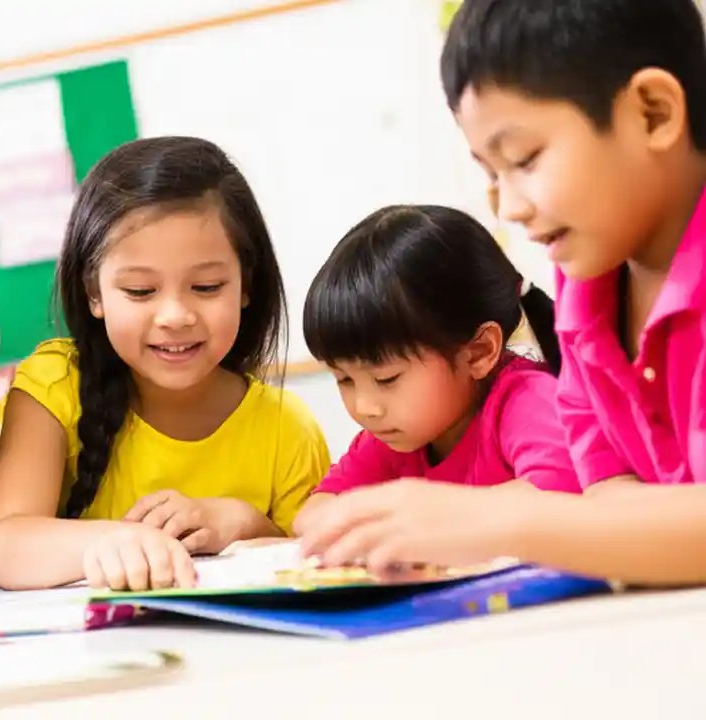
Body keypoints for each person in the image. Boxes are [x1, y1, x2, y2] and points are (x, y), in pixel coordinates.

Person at [300, 0, 706, 585]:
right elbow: (612, 499)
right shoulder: (586, 288)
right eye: (491, 174)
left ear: (652, 113)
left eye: (525, 160)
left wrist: (505, 519)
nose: (510, 207)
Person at [0, 136, 330, 592]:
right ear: (93, 293)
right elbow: (3, 546)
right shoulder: (54, 387)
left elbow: (323, 565)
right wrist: (118, 542)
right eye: (141, 292)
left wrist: (244, 523)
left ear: (246, 285)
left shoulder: (287, 429)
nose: (175, 316)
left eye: (206, 287)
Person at [292, 204, 579, 535]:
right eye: (343, 379)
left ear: (478, 352)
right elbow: (312, 518)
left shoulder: (525, 400)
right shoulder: (392, 436)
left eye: (386, 378)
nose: (364, 407)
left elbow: (560, 495)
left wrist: (427, 512)